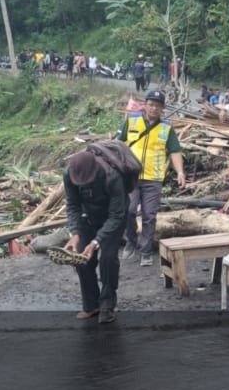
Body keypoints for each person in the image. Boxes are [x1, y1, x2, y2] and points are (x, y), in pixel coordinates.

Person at [117, 90, 185, 267]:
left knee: (149, 215)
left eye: (158, 105)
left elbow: (175, 151)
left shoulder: (166, 127)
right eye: (151, 104)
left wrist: (180, 172)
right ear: (145, 105)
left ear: (162, 108)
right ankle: (131, 241)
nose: (154, 108)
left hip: (153, 178)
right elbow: (119, 143)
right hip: (131, 176)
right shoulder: (132, 120)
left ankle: (145, 251)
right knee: (129, 211)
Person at [62, 151, 129, 324]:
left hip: (114, 216)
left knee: (108, 259)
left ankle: (107, 306)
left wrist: (95, 241)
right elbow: (73, 204)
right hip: (88, 216)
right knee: (81, 259)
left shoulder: (112, 177)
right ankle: (91, 305)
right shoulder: (68, 173)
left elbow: (116, 215)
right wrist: (75, 233)